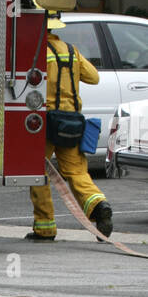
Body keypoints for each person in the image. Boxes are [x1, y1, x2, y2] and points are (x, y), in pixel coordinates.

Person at [27, 26, 113, 240]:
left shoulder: (36, 54)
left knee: (39, 173)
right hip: (71, 122)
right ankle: (98, 205)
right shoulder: (72, 51)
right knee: (77, 173)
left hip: (46, 123)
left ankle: (45, 228)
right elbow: (94, 78)